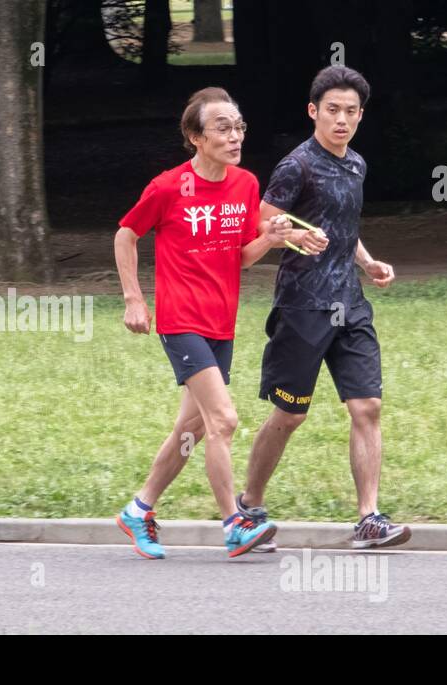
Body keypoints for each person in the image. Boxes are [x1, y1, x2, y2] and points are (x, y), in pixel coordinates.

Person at [113, 87, 293, 559]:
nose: (235, 137)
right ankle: (233, 523)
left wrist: (271, 240)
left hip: (221, 322)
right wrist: (134, 299)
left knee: (190, 430)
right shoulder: (168, 187)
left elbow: (242, 257)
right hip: (181, 319)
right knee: (224, 420)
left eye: (239, 127)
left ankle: (138, 510)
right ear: (195, 136)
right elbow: (125, 235)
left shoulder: (246, 184)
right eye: (223, 128)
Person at [240, 66, 411, 549]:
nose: (342, 120)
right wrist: (294, 235)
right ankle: (249, 505)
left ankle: (369, 518)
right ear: (314, 111)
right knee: (290, 415)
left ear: (361, 115)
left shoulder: (356, 163)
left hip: (349, 304)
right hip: (303, 306)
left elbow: (345, 228)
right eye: (332, 110)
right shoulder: (297, 165)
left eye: (351, 112)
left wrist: (369, 263)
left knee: (367, 406)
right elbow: (263, 223)